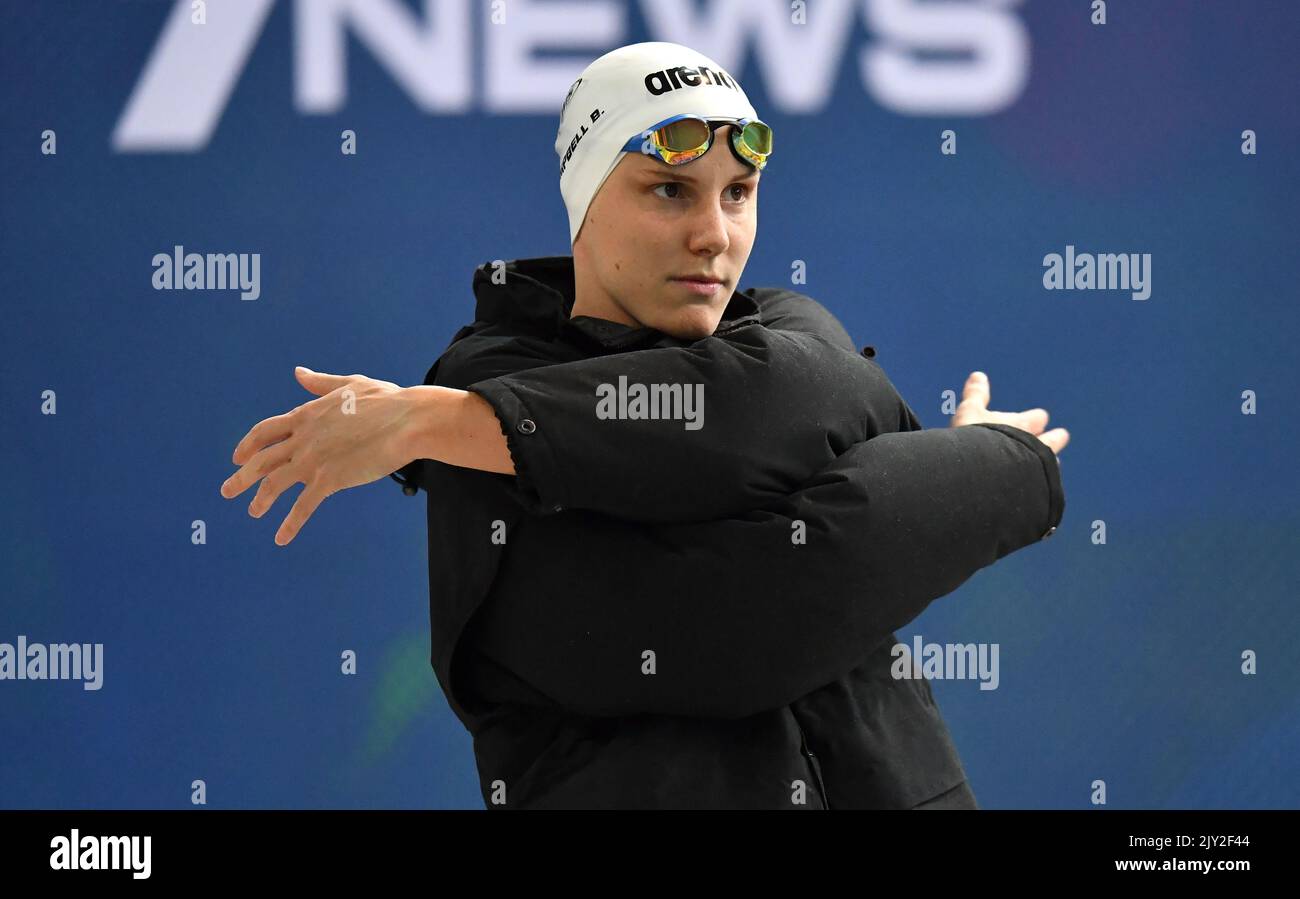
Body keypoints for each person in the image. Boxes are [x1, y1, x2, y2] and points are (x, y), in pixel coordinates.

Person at [221, 42, 1068, 809]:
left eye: (740, 194)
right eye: (670, 190)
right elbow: (767, 615)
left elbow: (760, 400)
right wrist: (994, 469)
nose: (716, 235)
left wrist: (442, 421)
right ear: (585, 200)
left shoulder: (783, 328)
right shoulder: (491, 387)